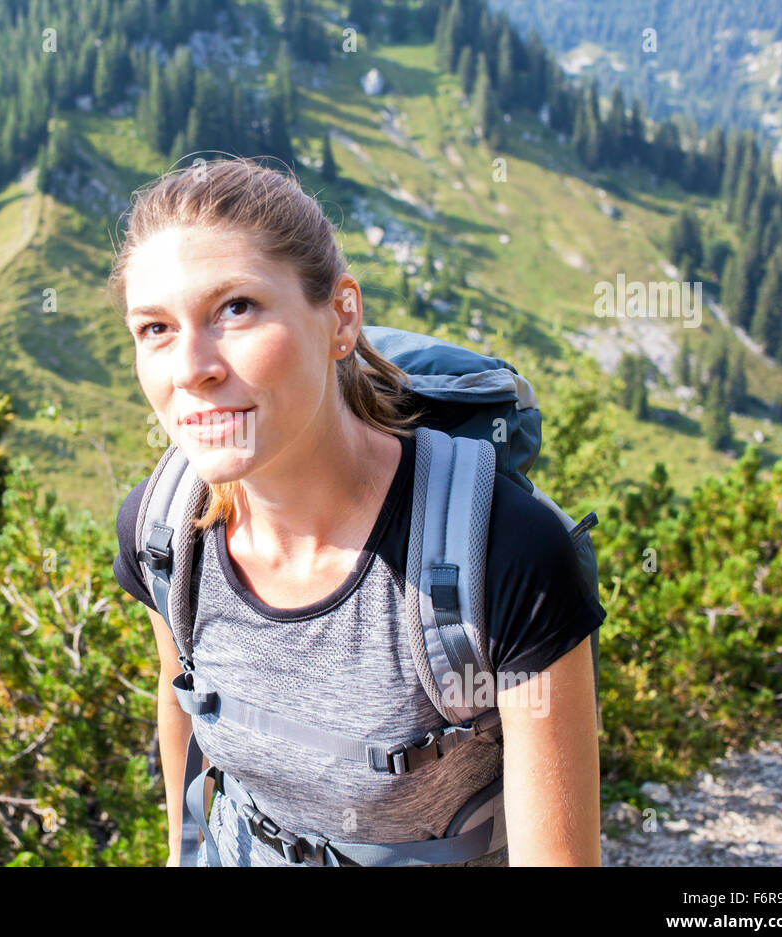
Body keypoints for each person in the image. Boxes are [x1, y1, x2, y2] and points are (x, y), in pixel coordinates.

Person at [107, 156, 606, 866]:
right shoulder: (164, 535)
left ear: (340, 317)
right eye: (154, 328)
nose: (191, 367)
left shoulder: (504, 555)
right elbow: (182, 701)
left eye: (236, 309)